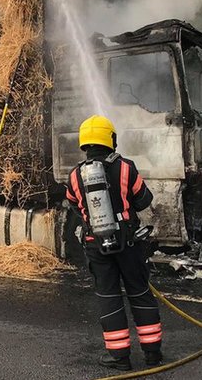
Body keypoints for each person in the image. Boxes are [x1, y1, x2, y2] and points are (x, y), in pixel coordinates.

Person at [64, 115, 162, 371]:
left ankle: (119, 357)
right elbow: (144, 200)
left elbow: (74, 204)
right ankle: (153, 354)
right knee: (140, 293)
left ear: (84, 142)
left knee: (109, 297)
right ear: (111, 139)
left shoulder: (75, 175)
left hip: (96, 245)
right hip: (129, 244)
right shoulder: (127, 167)